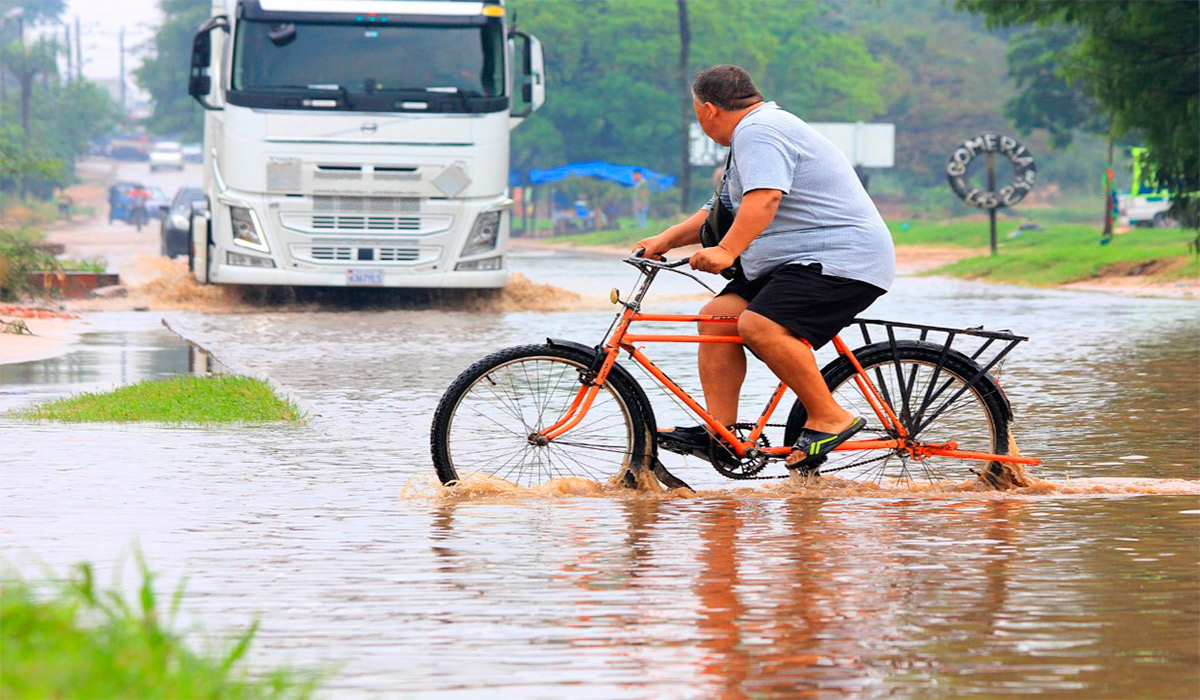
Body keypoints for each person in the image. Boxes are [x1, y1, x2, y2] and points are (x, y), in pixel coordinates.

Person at [633, 65, 895, 470]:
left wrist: (725, 251)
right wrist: (664, 240)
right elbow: (717, 210)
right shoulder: (752, 135)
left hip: (839, 258)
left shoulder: (761, 130)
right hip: (793, 263)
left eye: (696, 113)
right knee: (717, 318)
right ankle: (721, 432)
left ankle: (830, 416)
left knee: (758, 325)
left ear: (708, 109)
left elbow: (765, 199)